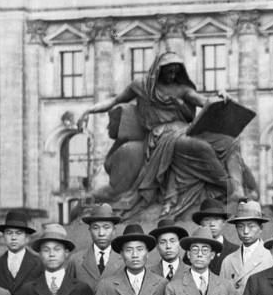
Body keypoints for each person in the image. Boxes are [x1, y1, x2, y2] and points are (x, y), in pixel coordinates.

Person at [78, 51, 247, 218]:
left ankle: (237, 191)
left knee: (230, 141)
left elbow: (204, 102)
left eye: (176, 71)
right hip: (163, 136)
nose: (172, 75)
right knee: (200, 147)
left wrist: (220, 97)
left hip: (185, 130)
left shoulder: (182, 89)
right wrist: (88, 110)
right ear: (158, 70)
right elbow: (115, 101)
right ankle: (227, 186)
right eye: (169, 71)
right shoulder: (140, 86)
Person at [68, 203, 124, 289]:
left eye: (106, 227)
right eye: (96, 228)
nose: (101, 233)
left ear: (114, 231)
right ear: (90, 230)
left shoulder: (124, 260)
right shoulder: (76, 261)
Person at [190, 198, 238, 276]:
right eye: (207, 219)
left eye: (216, 219)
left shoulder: (236, 251)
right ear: (200, 224)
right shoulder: (192, 251)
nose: (212, 224)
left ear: (223, 222)